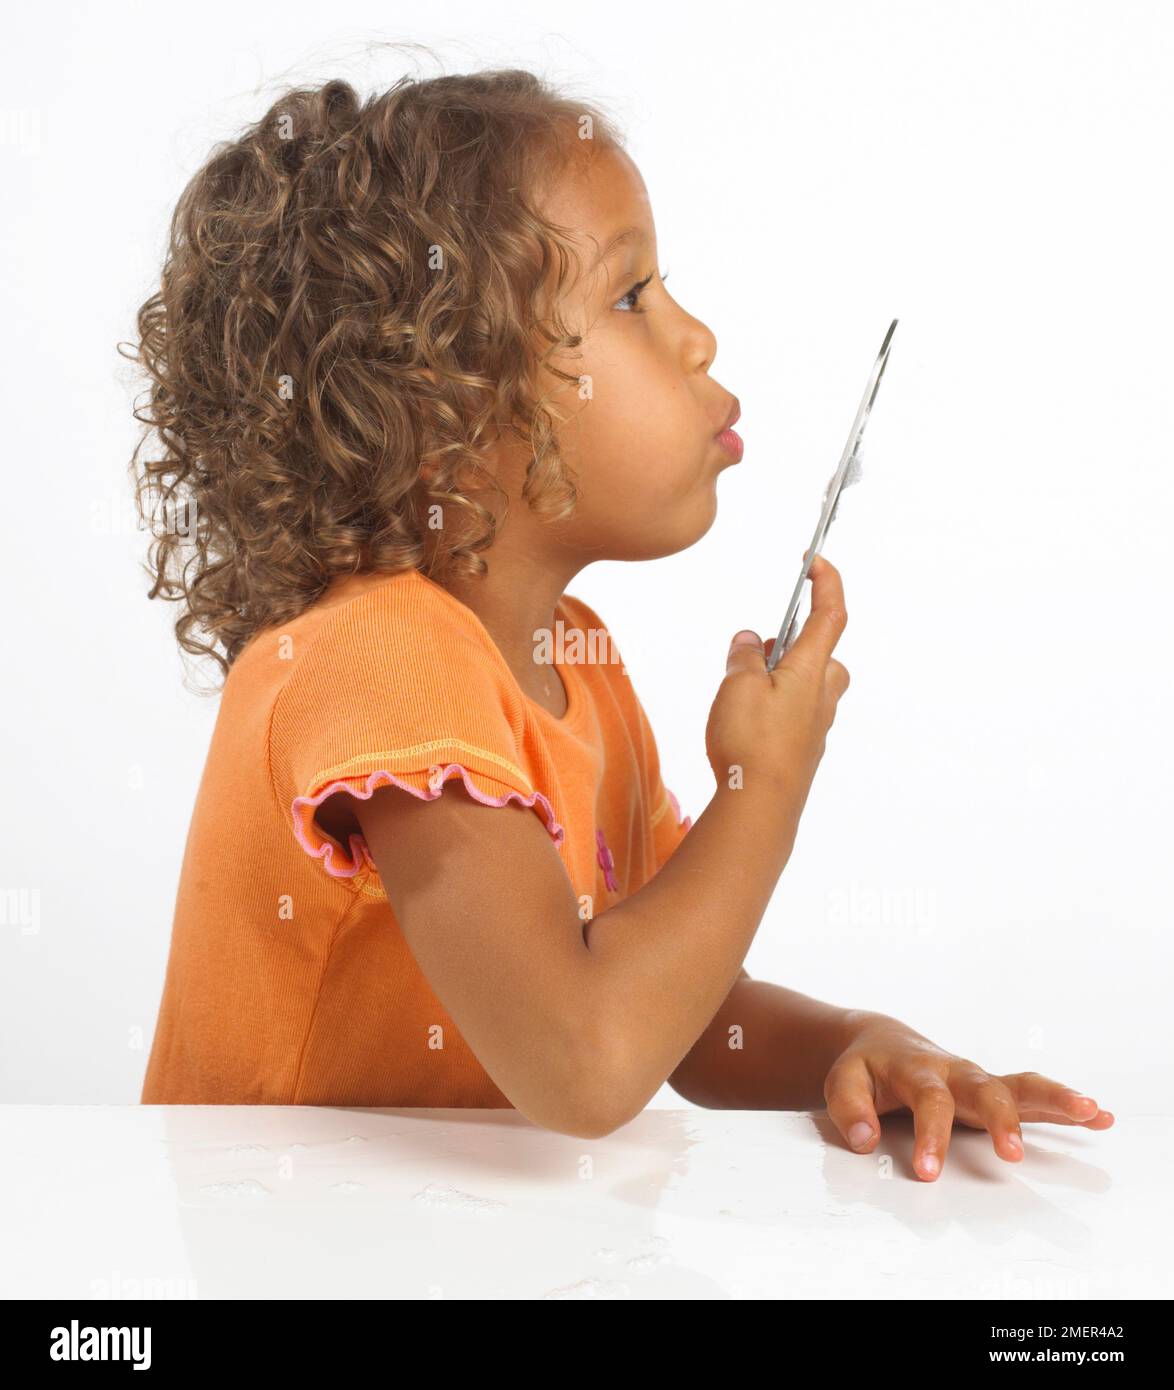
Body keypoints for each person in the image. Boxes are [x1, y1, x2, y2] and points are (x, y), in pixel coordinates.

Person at [132, 67, 1111, 1179]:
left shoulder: (578, 666)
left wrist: (852, 1043)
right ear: (446, 407)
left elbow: (670, 1004)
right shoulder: (379, 657)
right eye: (631, 296)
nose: (696, 339)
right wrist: (764, 792)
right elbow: (588, 1057)